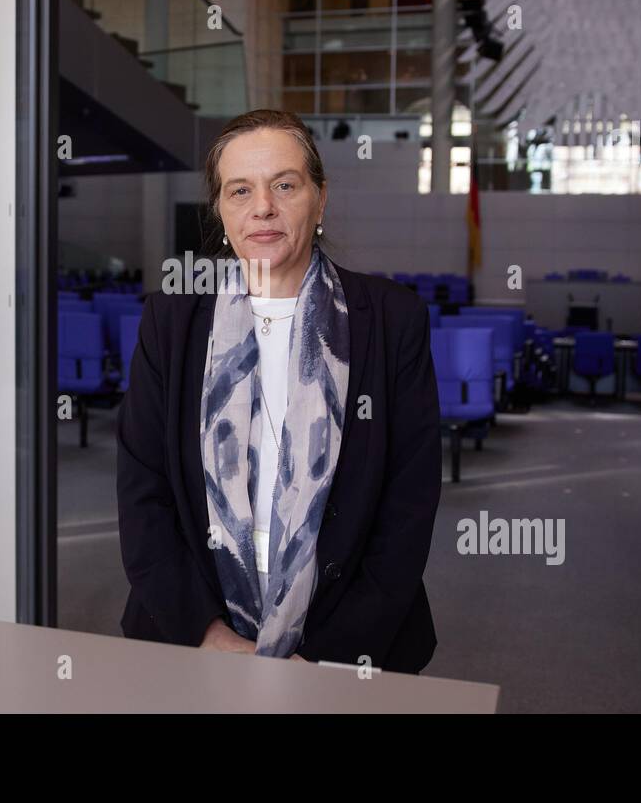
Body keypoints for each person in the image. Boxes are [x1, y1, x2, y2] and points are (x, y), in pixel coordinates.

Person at [115, 109, 442, 673]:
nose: (262, 206)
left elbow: (408, 504)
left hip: (349, 640)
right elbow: (143, 490)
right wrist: (206, 633)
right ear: (220, 210)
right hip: (193, 631)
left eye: (284, 185)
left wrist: (323, 656)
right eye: (240, 190)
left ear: (320, 198)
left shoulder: (391, 319)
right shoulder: (172, 320)